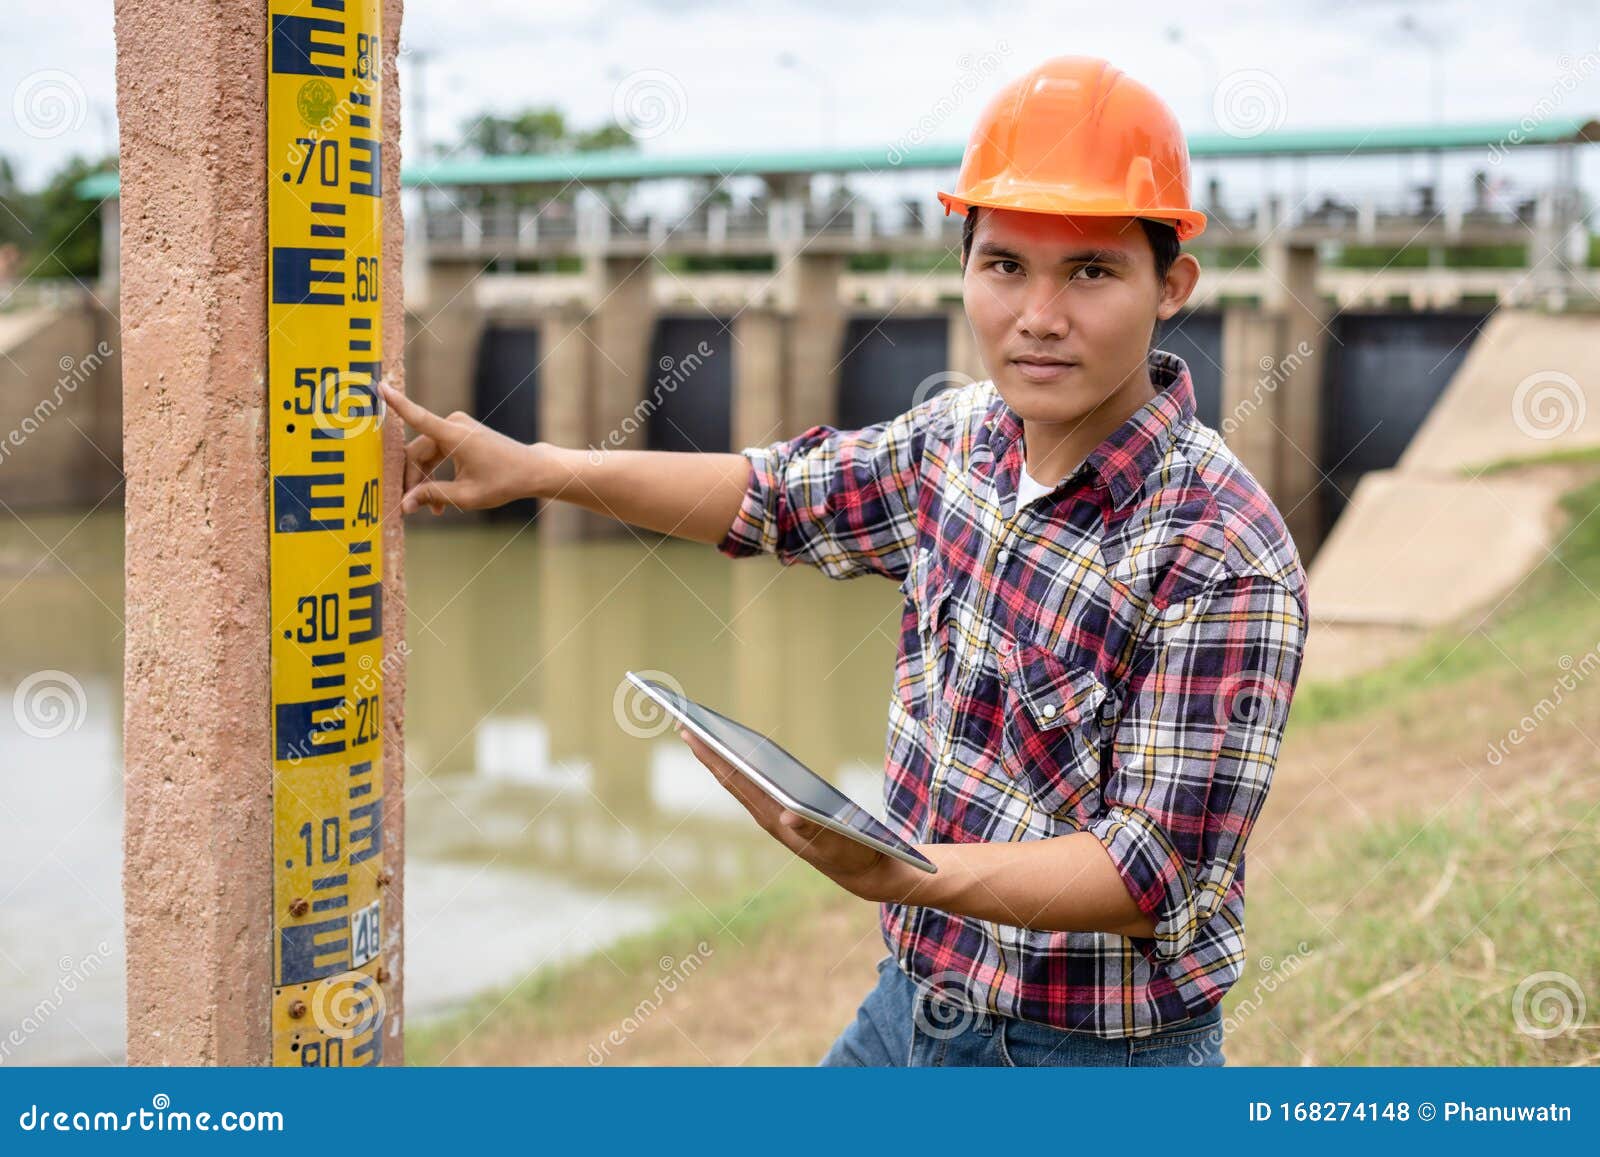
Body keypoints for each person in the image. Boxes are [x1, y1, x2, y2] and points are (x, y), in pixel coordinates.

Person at [379, 55, 1309, 1068]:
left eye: (1089, 270)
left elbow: (1154, 869)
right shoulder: (960, 442)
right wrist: (540, 468)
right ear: (964, 268)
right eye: (1004, 265)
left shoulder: (1220, 553)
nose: (1038, 314)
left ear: (1171, 284)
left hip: (1085, 1055)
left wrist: (909, 874)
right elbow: (773, 495)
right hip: (908, 1004)